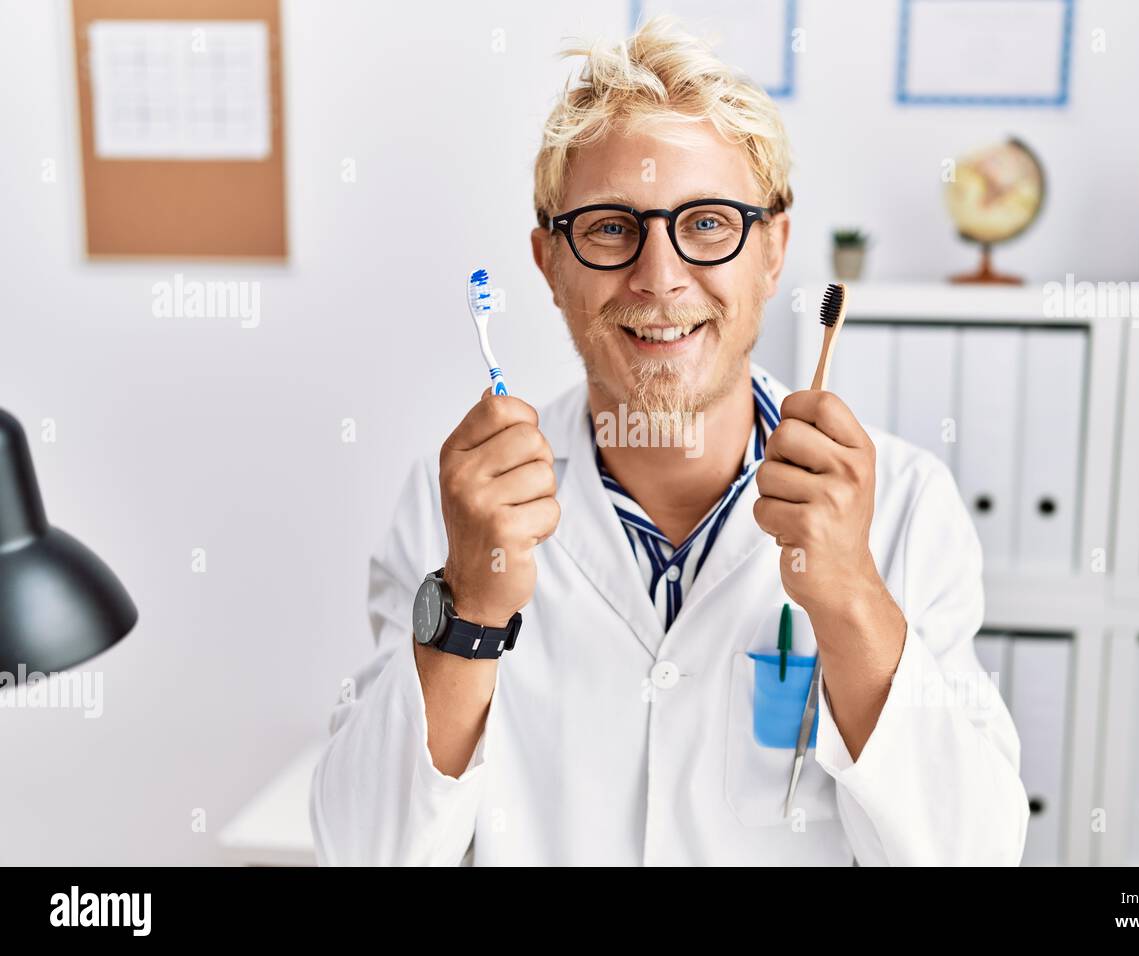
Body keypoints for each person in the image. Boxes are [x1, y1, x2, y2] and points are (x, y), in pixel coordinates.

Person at [310, 16, 1028, 866]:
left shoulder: (907, 503)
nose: (659, 277)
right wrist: (468, 604)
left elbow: (970, 853)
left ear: (773, 249)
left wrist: (850, 597)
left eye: (710, 223)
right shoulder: (458, 510)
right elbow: (363, 852)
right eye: (612, 228)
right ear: (550, 264)